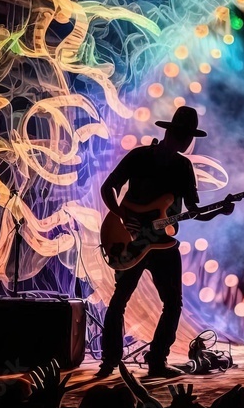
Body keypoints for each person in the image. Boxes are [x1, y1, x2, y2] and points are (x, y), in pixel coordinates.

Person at [97, 106, 232, 378]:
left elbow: (194, 210)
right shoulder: (139, 156)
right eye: (183, 134)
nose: (185, 141)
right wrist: (122, 215)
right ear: (172, 133)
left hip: (162, 243)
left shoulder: (184, 167)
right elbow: (108, 187)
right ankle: (111, 361)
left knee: (170, 303)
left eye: (188, 136)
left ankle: (155, 360)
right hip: (132, 238)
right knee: (121, 300)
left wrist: (220, 209)